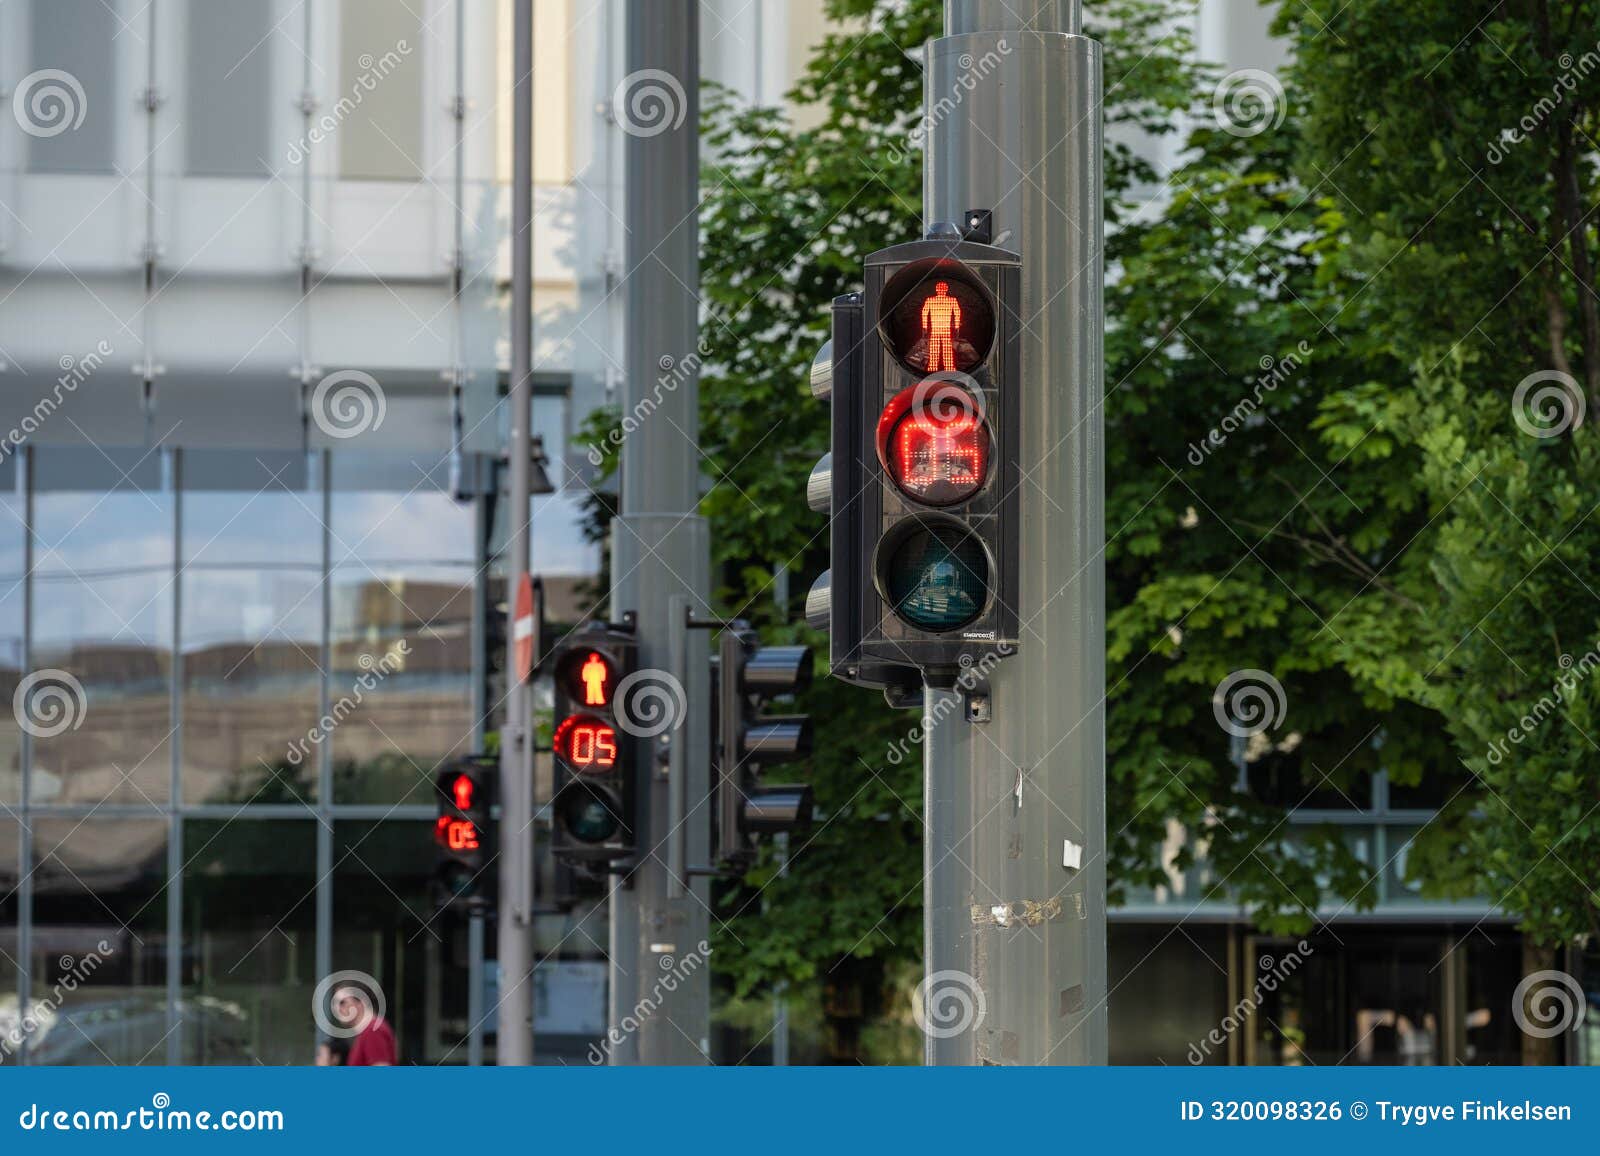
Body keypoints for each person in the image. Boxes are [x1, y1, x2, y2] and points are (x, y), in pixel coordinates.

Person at [333, 984, 397, 1066]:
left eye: (342, 1002)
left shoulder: (373, 1031)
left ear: (362, 1001)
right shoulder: (370, 1030)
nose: (337, 1009)